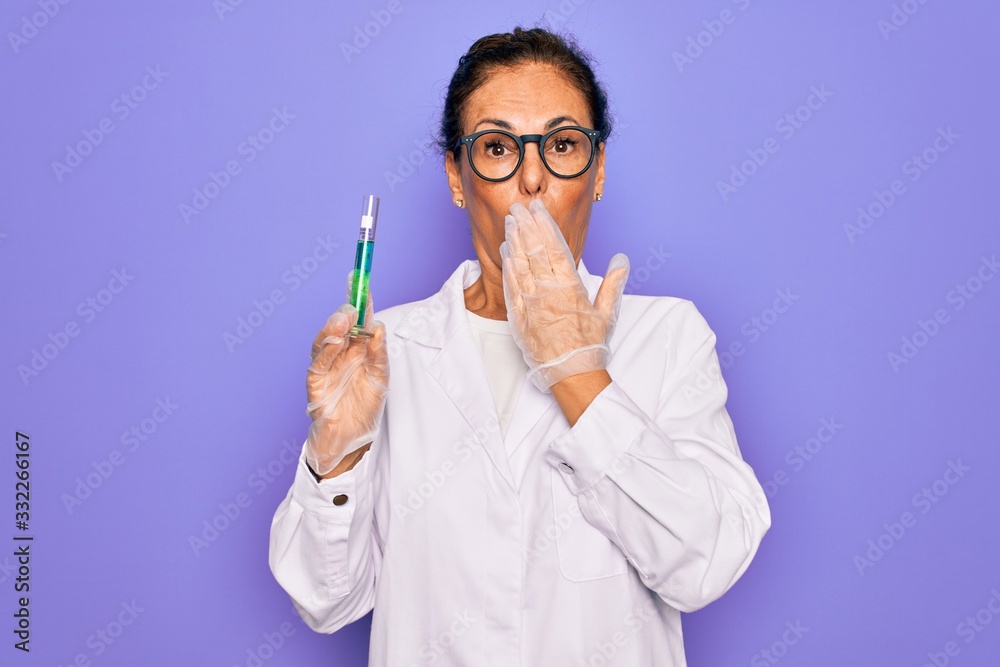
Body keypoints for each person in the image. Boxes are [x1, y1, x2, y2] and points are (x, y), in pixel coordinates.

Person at [269, 26, 771, 667]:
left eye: (563, 145)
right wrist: (335, 454)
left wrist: (581, 376)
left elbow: (709, 563)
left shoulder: (666, 337)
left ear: (598, 172)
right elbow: (325, 601)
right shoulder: (385, 353)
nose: (532, 178)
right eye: (499, 147)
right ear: (457, 174)